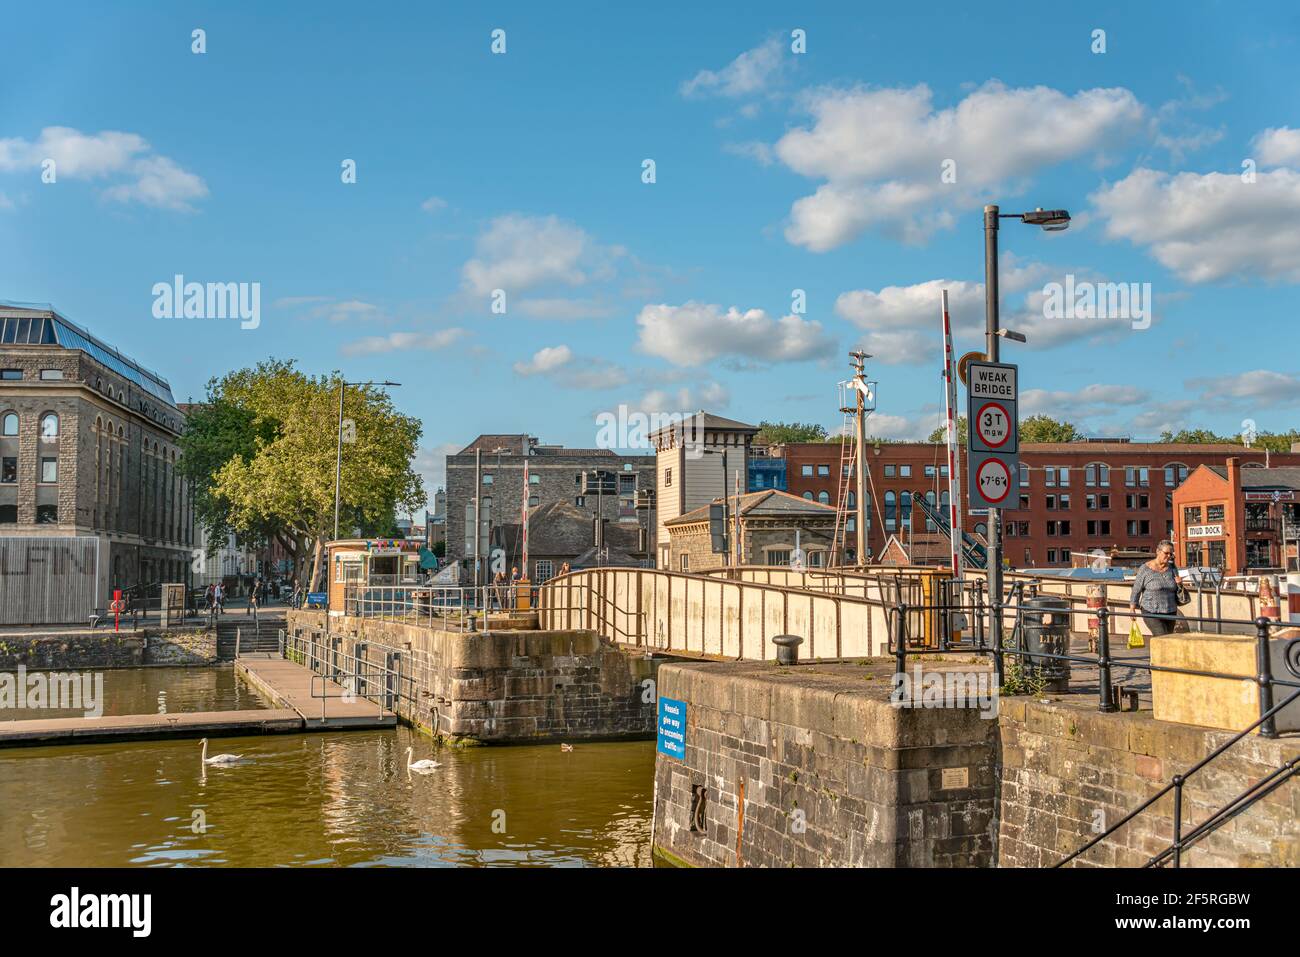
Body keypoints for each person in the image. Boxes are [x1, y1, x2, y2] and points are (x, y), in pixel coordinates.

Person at [1129, 540, 1181, 637]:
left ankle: (1157, 653)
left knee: (1168, 638)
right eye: (1166, 553)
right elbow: (1136, 589)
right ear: (1158, 552)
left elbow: (1177, 589)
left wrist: (1180, 584)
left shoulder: (1172, 568)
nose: (1169, 556)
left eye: (1171, 554)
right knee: (1162, 636)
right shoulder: (1145, 569)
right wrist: (1132, 608)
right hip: (1151, 610)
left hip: (1170, 610)